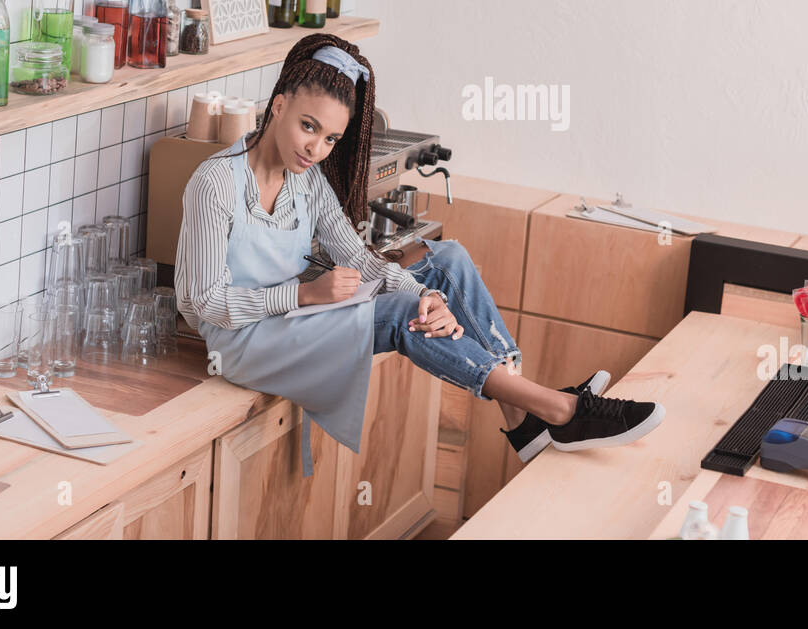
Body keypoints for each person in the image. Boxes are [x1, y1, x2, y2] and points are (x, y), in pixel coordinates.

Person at [174, 33, 664, 477]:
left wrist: (428, 294)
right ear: (277, 105)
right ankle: (558, 410)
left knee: (445, 260)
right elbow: (200, 305)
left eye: (331, 139)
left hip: (299, 317)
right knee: (403, 316)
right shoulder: (216, 184)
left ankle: (520, 410)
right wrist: (303, 295)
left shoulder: (307, 182)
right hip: (241, 341)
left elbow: (363, 261)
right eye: (309, 126)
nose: (317, 148)